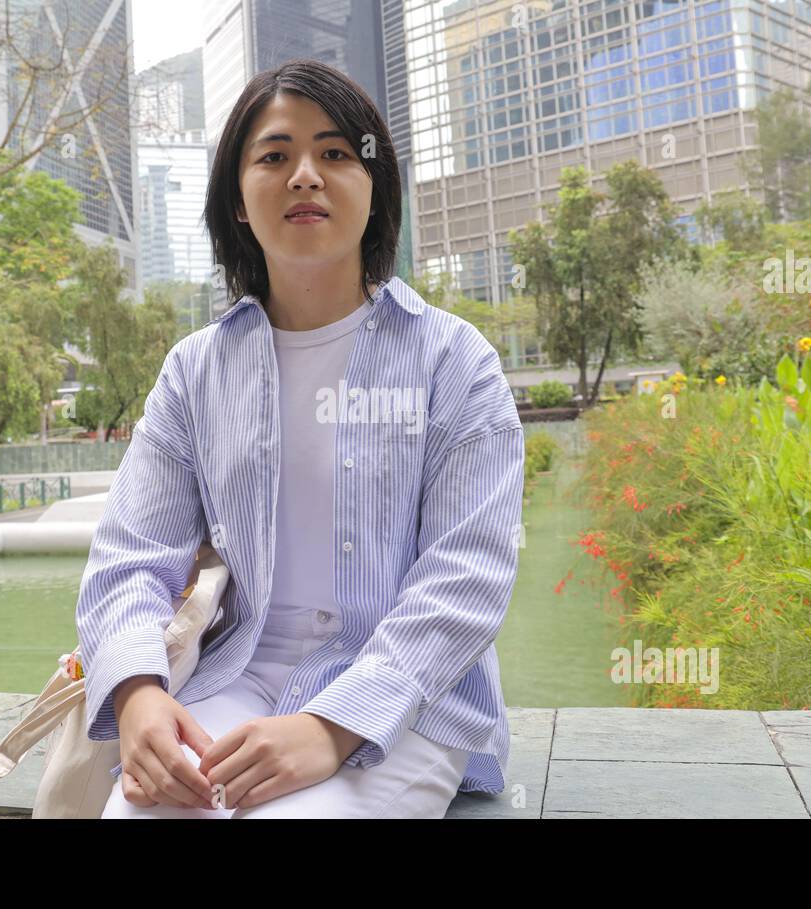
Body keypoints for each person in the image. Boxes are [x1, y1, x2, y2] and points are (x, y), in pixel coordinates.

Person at [75, 58, 525, 819]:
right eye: (275, 156)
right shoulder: (195, 371)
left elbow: (469, 571)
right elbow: (129, 555)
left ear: (374, 186)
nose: (306, 175)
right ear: (239, 201)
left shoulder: (453, 359)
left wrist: (334, 724)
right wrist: (140, 693)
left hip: (407, 701)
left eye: (337, 153)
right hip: (238, 679)